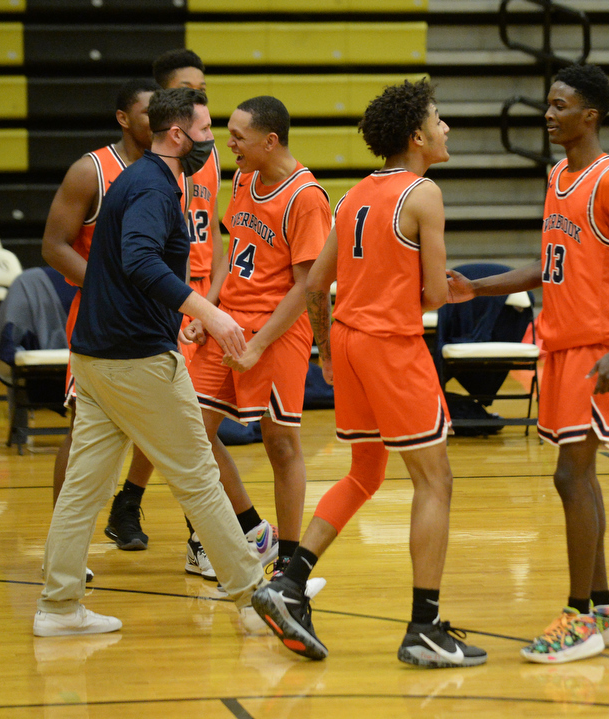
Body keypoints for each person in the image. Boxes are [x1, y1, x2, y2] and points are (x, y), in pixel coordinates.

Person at [251, 79, 488, 668]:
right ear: (417, 136)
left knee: (364, 473)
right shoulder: (423, 194)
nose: (446, 129)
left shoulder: (353, 194)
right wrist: (458, 292)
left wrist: (329, 350)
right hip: (391, 345)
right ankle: (425, 627)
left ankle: (288, 581)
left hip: (352, 343)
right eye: (439, 120)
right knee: (436, 481)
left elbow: (314, 283)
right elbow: (432, 292)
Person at [447, 64, 609, 663]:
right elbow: (549, 266)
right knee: (580, 476)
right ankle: (601, 606)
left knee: (572, 477)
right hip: (561, 343)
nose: (548, 114)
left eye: (560, 104)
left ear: (589, 116)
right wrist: (478, 288)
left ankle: (579, 618)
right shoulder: (558, 176)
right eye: (548, 104)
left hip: (597, 348)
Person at [34, 87, 265, 637]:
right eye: (208, 131)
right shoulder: (154, 189)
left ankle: (59, 607)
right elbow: (138, 261)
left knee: (84, 487)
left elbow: (127, 268)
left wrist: (175, 311)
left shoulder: (145, 180)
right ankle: (258, 601)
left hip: (97, 353)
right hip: (134, 358)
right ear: (179, 134)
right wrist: (207, 311)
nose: (214, 142)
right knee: (201, 479)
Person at [103, 49, 250, 579]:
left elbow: (214, 234)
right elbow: (133, 257)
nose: (202, 101)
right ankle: (220, 546)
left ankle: (135, 503)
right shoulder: (139, 172)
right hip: (150, 304)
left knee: (189, 425)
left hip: (197, 300)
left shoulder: (205, 158)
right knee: (185, 429)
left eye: (204, 90)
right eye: (192, 91)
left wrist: (209, 299)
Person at [183, 95, 330, 580]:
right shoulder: (244, 177)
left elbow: (307, 286)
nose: (229, 144)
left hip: (276, 332)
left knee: (280, 444)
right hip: (227, 322)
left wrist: (261, 343)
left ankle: (290, 561)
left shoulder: (306, 196)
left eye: (238, 137)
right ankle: (251, 530)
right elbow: (230, 251)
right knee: (191, 437)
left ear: (270, 140)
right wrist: (208, 307)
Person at [41, 78, 159, 568]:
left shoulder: (170, 172)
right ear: (123, 119)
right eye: (150, 113)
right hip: (97, 319)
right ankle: (62, 552)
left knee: (173, 429)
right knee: (83, 428)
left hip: (153, 321)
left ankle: (138, 512)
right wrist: (107, 284)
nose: (161, 122)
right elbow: (53, 246)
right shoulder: (90, 171)